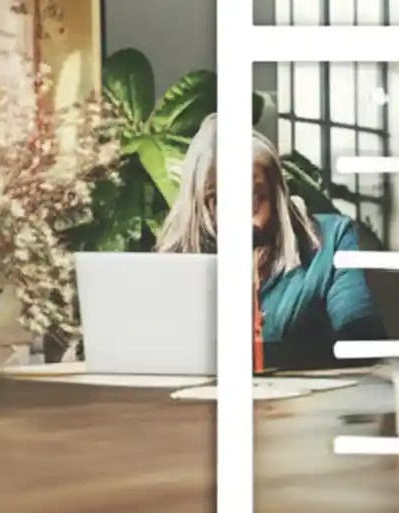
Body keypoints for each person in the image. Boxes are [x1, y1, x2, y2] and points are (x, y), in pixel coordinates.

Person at [156, 114, 384, 369]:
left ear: (277, 191)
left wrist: (256, 357)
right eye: (221, 199)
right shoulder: (178, 259)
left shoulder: (332, 240)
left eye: (254, 196)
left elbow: (362, 341)